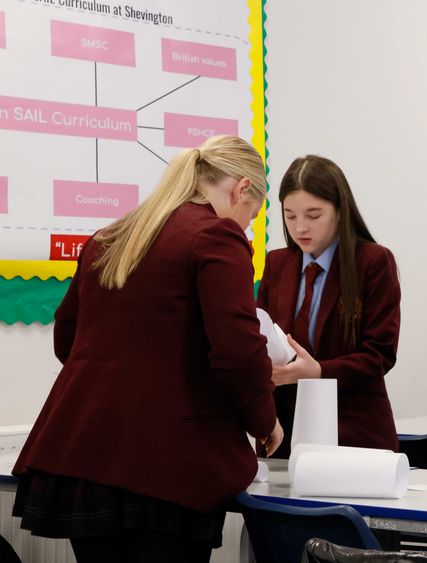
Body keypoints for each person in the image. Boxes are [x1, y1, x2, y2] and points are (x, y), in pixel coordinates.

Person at [12, 135, 282, 563]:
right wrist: (265, 421)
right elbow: (237, 351)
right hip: (169, 466)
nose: (246, 225)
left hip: (85, 456)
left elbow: (68, 338)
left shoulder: (110, 236)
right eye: (252, 215)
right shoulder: (217, 235)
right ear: (242, 188)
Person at [257, 155, 401, 459]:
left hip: (353, 429)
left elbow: (380, 355)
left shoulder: (373, 262)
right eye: (290, 215)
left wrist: (318, 372)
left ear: (339, 210)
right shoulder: (277, 263)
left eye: (314, 215)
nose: (300, 227)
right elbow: (261, 335)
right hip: (285, 431)